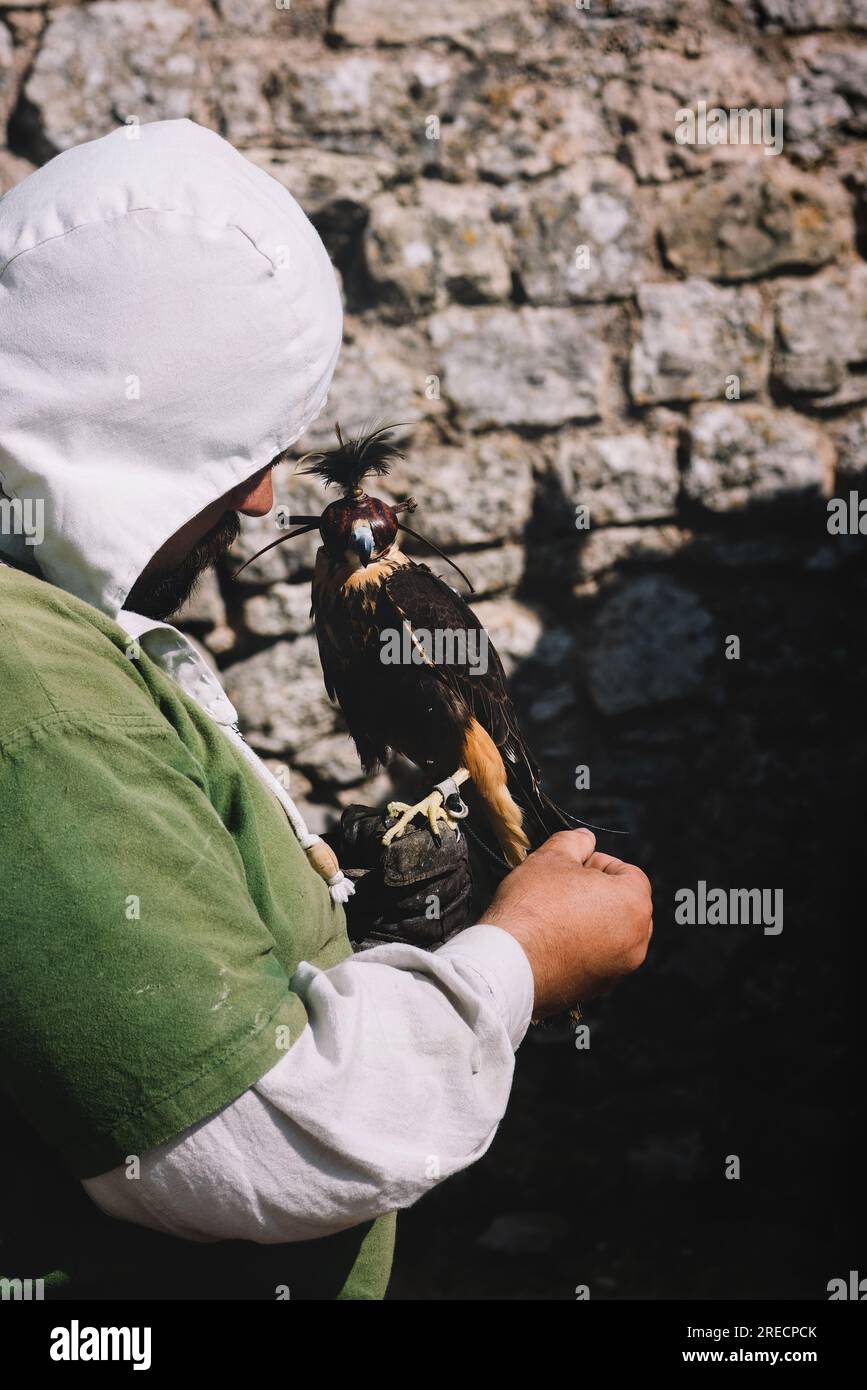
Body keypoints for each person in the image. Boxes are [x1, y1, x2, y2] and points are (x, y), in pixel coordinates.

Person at [0, 119, 652, 1301]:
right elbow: (260, 1137)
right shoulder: (29, 686)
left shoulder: (56, 623)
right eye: (231, 443)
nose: (260, 498)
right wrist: (521, 961)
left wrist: (349, 904)